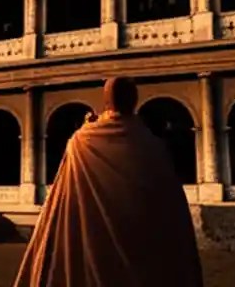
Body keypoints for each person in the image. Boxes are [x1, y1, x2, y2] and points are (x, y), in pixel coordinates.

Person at [12, 76, 203, 287]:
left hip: (96, 244)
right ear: (134, 101)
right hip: (144, 251)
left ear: (106, 102)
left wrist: (89, 127)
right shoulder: (155, 147)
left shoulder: (81, 142)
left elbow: (63, 203)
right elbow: (173, 210)